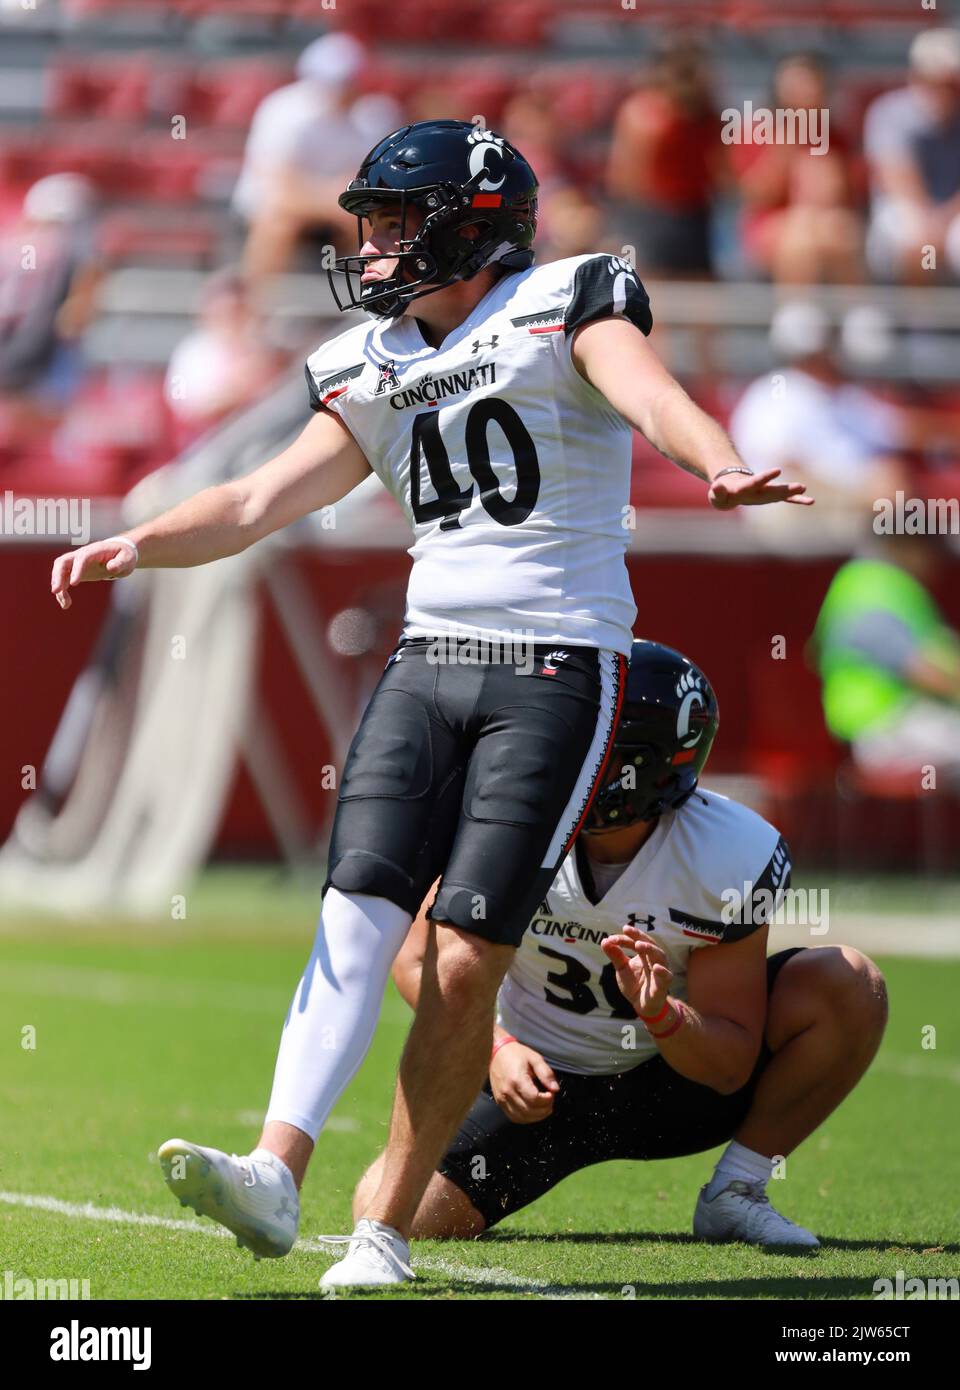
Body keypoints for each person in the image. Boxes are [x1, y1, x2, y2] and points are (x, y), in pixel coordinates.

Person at [50, 119, 811, 1289]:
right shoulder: (373, 358)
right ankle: (273, 1166)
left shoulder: (568, 299)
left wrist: (713, 459)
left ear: (475, 220)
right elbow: (258, 495)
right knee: (355, 910)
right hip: (427, 657)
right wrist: (141, 543)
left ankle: (381, 1230)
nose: (379, 244)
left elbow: (648, 394)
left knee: (466, 956)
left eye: (401, 220)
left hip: (554, 665)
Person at [351, 642, 888, 1257]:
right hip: (533, 1083)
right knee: (385, 1208)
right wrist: (494, 1051)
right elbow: (418, 957)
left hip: (669, 1084)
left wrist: (665, 1015)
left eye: (580, 736)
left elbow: (729, 1062)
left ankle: (736, 1193)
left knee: (847, 984)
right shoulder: (504, 815)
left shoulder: (723, 856)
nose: (547, 750)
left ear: (644, 760)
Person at [812, 533, 960, 787]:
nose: (934, 564)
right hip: (881, 731)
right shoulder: (880, 585)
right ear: (908, 546)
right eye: (930, 552)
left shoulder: (855, 580)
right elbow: (920, 670)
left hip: (870, 729)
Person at [863, 27, 960, 283]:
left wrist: (944, 220)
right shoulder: (890, 111)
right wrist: (930, 224)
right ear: (916, 76)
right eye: (932, 78)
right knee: (914, 236)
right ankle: (922, 321)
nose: (940, 88)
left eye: (947, 81)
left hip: (952, 212)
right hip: (903, 205)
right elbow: (898, 181)